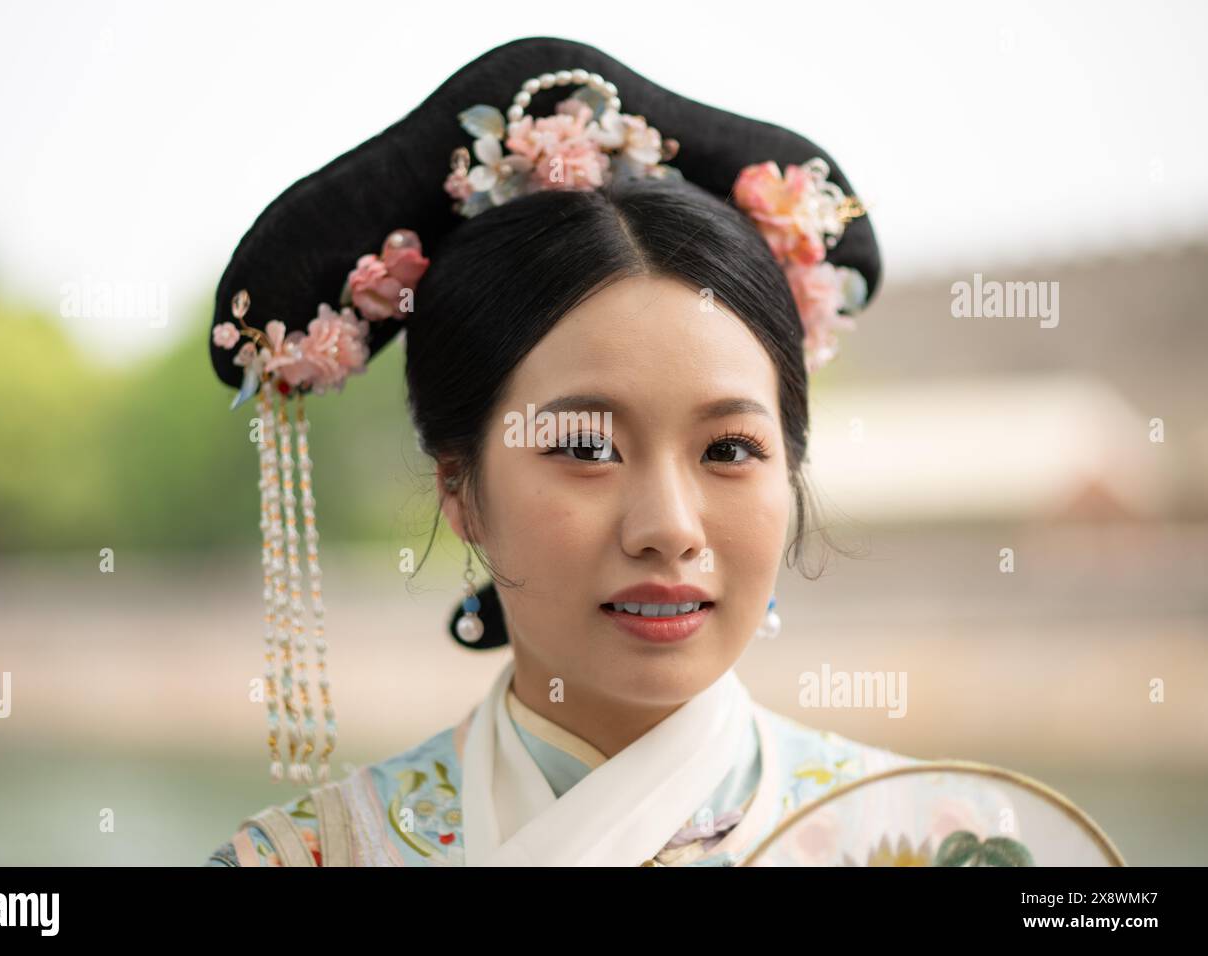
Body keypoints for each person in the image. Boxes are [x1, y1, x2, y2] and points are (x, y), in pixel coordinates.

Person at [202, 35, 917, 868]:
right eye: (584, 445)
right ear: (460, 488)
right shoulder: (306, 859)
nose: (670, 529)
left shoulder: (933, 841)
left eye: (728, 446)